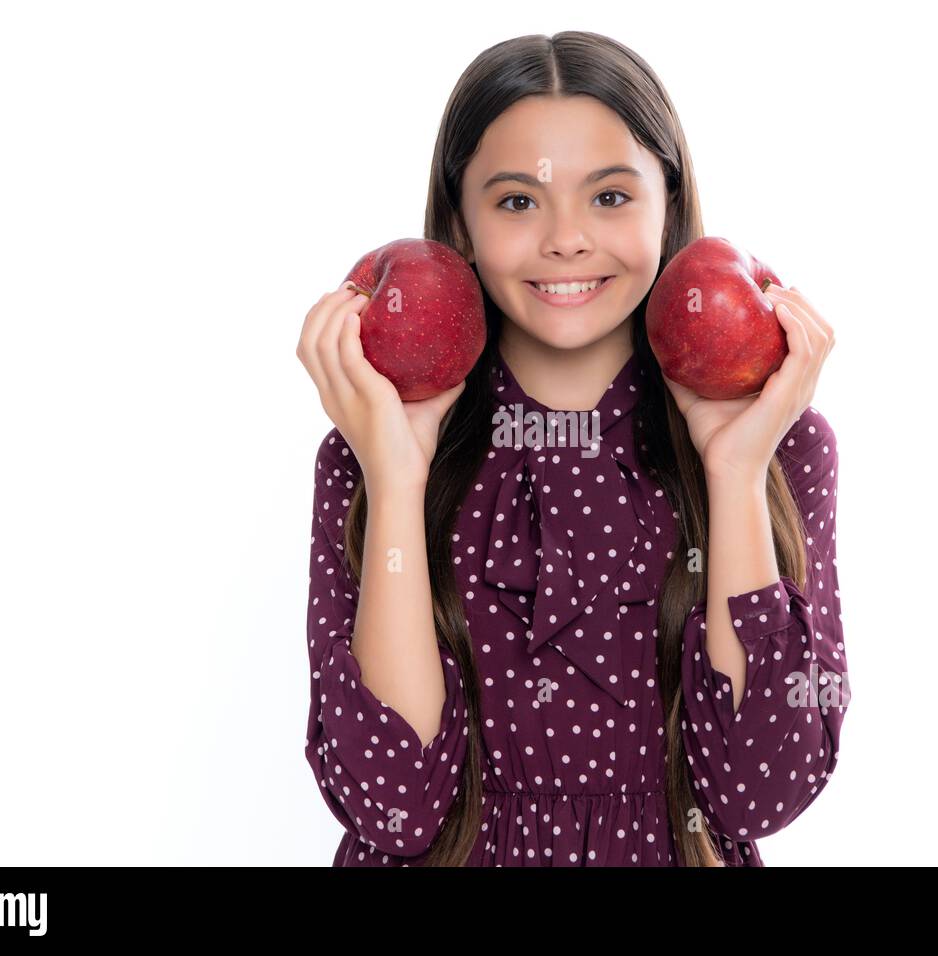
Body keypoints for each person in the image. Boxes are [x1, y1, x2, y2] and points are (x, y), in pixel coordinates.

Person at [295, 31, 847, 866]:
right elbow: (395, 808)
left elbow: (756, 791)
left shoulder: (781, 443)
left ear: (670, 205)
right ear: (461, 225)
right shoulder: (369, 452)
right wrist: (397, 477)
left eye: (611, 197)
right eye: (518, 201)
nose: (565, 240)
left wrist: (732, 474)